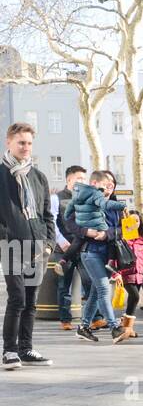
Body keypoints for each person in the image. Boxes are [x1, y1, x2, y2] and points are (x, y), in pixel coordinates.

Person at [0, 121, 55, 368]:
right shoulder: (1, 175)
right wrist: (6, 236)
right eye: (21, 142)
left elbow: (47, 214)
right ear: (9, 142)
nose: (26, 147)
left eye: (29, 143)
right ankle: (9, 351)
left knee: (31, 301)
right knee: (17, 298)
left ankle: (26, 349)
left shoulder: (38, 176)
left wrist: (49, 244)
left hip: (38, 248)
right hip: (11, 247)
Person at [68, 170, 128, 343]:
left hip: (109, 254)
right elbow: (70, 223)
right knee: (103, 289)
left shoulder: (115, 206)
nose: (109, 188)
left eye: (112, 185)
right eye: (106, 185)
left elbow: (123, 230)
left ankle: (83, 327)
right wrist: (88, 231)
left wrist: (107, 234)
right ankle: (114, 327)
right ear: (95, 184)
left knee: (95, 292)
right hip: (90, 252)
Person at [54, 164, 88, 330]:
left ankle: (94, 318)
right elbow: (52, 223)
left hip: (83, 247)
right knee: (64, 286)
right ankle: (65, 320)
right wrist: (61, 241)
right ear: (69, 179)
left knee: (89, 282)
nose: (82, 181)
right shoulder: (56, 198)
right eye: (79, 178)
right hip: (64, 248)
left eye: (84, 178)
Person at [116, 210, 143, 339]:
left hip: (139, 274)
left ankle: (127, 326)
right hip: (126, 274)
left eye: (137, 221)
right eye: (132, 220)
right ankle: (126, 327)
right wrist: (115, 274)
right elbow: (115, 258)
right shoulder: (122, 239)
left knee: (132, 301)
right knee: (135, 296)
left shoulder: (142, 240)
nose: (135, 223)